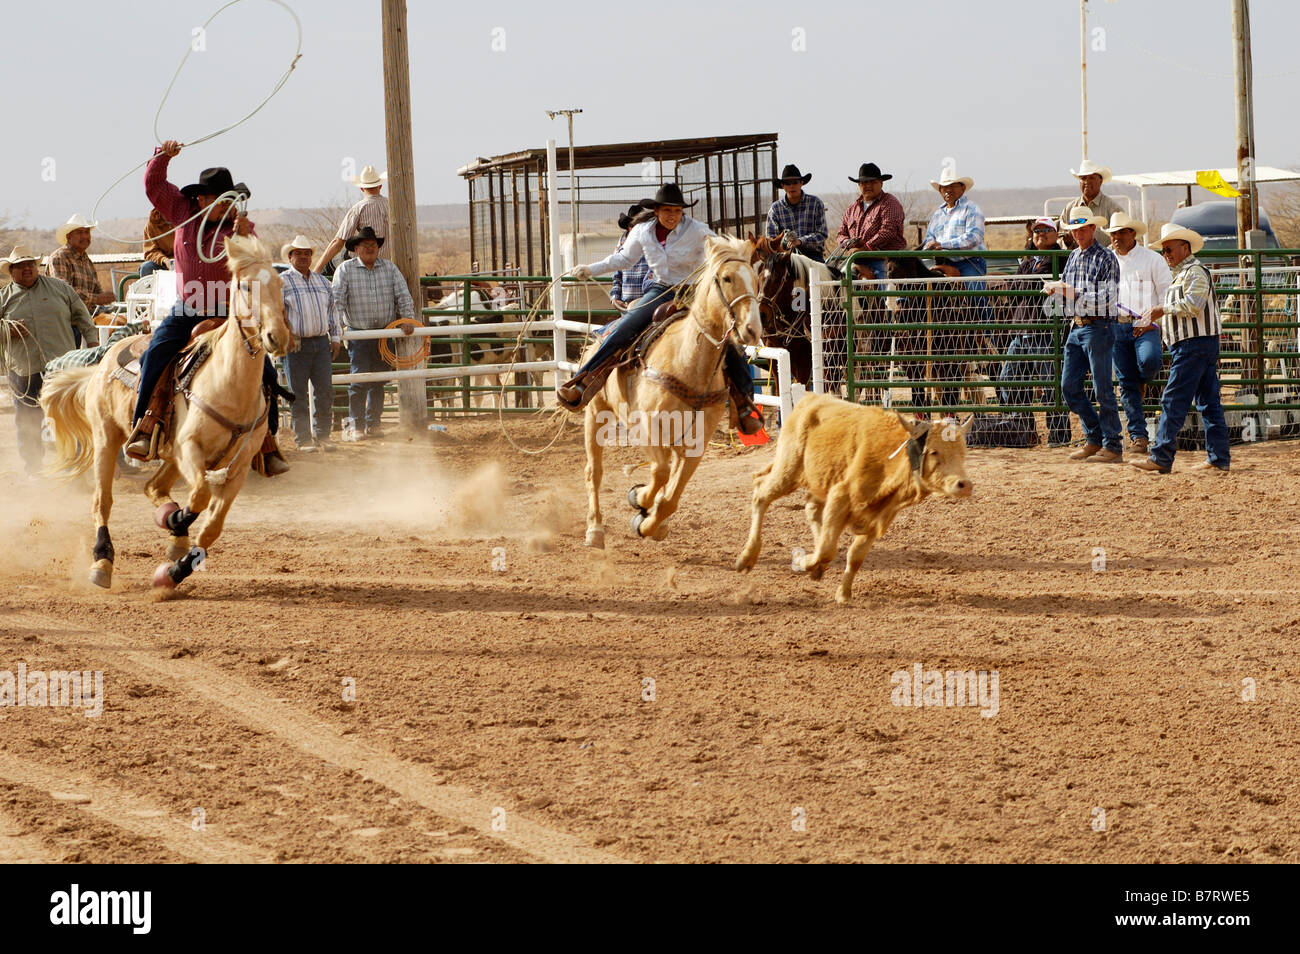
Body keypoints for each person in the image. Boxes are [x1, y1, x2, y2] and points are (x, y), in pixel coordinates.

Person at [125, 140, 288, 476]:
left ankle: (267, 441)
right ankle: (145, 425)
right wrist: (163, 156)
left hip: (229, 313)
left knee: (266, 372)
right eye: (208, 198)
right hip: (188, 308)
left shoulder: (242, 229)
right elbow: (153, 186)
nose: (208, 202)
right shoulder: (183, 212)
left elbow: (256, 265)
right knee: (156, 354)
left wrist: (246, 237)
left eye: (216, 198)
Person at [555, 182, 762, 433]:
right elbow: (623, 259)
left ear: (682, 212)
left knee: (725, 339)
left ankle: (745, 404)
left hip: (693, 292)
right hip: (660, 289)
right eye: (667, 211)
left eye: (676, 211)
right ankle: (583, 381)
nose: (672, 216)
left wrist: (745, 249)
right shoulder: (642, 231)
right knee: (626, 326)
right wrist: (591, 269)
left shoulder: (698, 231)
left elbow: (720, 246)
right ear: (656, 211)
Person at [1130, 224, 1229, 475]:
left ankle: (1161, 456)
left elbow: (1193, 305)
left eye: (1169, 249)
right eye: (1164, 251)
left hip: (1192, 345)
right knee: (1208, 402)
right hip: (1198, 344)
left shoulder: (1194, 272)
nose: (1166, 254)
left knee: (1173, 399)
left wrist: (1160, 310)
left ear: (1184, 247)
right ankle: (1218, 458)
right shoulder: (1186, 273)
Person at [0, 246, 96, 476]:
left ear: (37, 266)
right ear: (11, 271)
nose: (27, 269)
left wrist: (93, 345)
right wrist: (7, 332)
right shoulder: (4, 297)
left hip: (61, 366)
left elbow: (83, 317)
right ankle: (34, 469)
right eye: (21, 265)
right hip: (25, 368)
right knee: (27, 420)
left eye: (30, 264)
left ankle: (76, 465)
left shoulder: (60, 288)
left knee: (70, 415)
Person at [1044, 211, 1123, 462]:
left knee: (1102, 389)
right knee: (1069, 387)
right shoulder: (1074, 257)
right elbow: (1066, 295)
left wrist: (1072, 294)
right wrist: (1057, 291)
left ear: (1092, 229)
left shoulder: (1106, 258)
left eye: (1082, 229)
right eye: (1074, 231)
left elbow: (1108, 299)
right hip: (1077, 327)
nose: (1077, 234)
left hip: (1098, 326)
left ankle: (1112, 445)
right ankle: (1095, 437)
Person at [331, 226, 413, 439]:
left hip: (384, 335)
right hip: (359, 334)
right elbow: (337, 300)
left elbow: (402, 295)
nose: (370, 248)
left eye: (373, 245)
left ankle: (373, 424)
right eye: (365, 245)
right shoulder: (345, 270)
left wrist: (406, 319)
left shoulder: (389, 268)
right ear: (355, 248)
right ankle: (356, 426)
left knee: (379, 381)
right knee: (359, 380)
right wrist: (337, 324)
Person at [997, 218, 1071, 444]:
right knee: (1009, 379)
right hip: (1021, 330)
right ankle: (1022, 432)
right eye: (1036, 230)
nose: (1040, 234)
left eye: (1046, 230)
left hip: (1046, 330)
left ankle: (1059, 436)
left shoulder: (1061, 259)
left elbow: (1023, 290)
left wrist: (1027, 287)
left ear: (1055, 234)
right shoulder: (1028, 260)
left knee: (1051, 387)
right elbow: (1016, 291)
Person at [1103, 212, 1171, 456]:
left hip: (1146, 324)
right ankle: (1138, 437)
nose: (1116, 237)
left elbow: (1166, 293)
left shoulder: (1152, 260)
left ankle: (1142, 379)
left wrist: (1152, 316)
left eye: (1122, 232)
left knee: (1150, 361)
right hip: (1115, 326)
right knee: (1126, 382)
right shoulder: (1106, 260)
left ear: (1133, 233)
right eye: (1114, 233)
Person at [280, 235, 342, 452]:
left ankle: (323, 435)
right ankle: (304, 438)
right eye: (299, 253)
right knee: (297, 393)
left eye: (307, 253)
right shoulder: (282, 281)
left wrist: (335, 338)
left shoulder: (322, 282)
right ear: (290, 256)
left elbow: (332, 311)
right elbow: (276, 313)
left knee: (325, 390)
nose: (304, 256)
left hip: (320, 342)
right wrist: (285, 335)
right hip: (295, 343)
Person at [834, 162, 905, 279]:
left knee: (886, 288)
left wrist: (865, 248)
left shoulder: (889, 202)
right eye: (864, 182)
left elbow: (888, 231)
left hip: (884, 259)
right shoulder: (852, 209)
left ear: (881, 183)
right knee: (839, 280)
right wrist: (850, 243)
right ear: (859, 185)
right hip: (857, 260)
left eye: (873, 182)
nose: (868, 186)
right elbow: (841, 234)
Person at [314, 165, 389, 273]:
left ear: (362, 188)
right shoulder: (392, 206)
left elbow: (338, 242)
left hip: (361, 260)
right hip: (386, 260)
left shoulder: (358, 208)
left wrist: (317, 269)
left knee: (330, 266)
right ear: (380, 186)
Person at [923, 165, 986, 278]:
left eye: (952, 186)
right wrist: (930, 246)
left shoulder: (971, 208)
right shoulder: (937, 215)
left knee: (974, 293)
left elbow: (974, 237)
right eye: (943, 187)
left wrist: (942, 245)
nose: (947, 190)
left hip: (969, 262)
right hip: (942, 262)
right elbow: (929, 238)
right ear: (940, 191)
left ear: (962, 188)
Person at [47, 214, 115, 317]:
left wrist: (105, 298)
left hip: (87, 316)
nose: (85, 236)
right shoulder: (59, 258)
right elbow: (64, 291)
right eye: (79, 232)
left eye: (87, 232)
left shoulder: (87, 261)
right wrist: (97, 299)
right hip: (68, 318)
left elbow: (97, 290)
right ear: (68, 237)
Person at [765, 164, 828, 263]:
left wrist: (800, 241)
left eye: (795, 182)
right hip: (785, 257)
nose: (792, 186)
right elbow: (771, 239)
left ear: (801, 183)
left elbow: (822, 234)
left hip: (812, 256)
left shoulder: (815, 203)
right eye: (787, 183)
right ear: (783, 186)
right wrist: (786, 243)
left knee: (825, 276)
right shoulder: (775, 209)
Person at [1061, 159, 1124, 249]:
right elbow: (1061, 240)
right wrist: (1069, 244)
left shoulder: (1113, 209)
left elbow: (1121, 240)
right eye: (1083, 178)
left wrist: (1102, 254)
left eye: (1091, 178)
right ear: (1079, 182)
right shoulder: (1069, 208)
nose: (1087, 182)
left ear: (1100, 181)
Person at [608, 201, 655, 308]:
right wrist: (615, 297)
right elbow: (617, 277)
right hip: (626, 305)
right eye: (635, 225)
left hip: (647, 304)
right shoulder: (621, 247)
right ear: (629, 227)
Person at [140, 208, 175, 278]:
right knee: (146, 267)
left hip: (185, 262)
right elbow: (151, 251)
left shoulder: (188, 218)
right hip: (163, 264)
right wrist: (165, 260)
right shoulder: (152, 224)